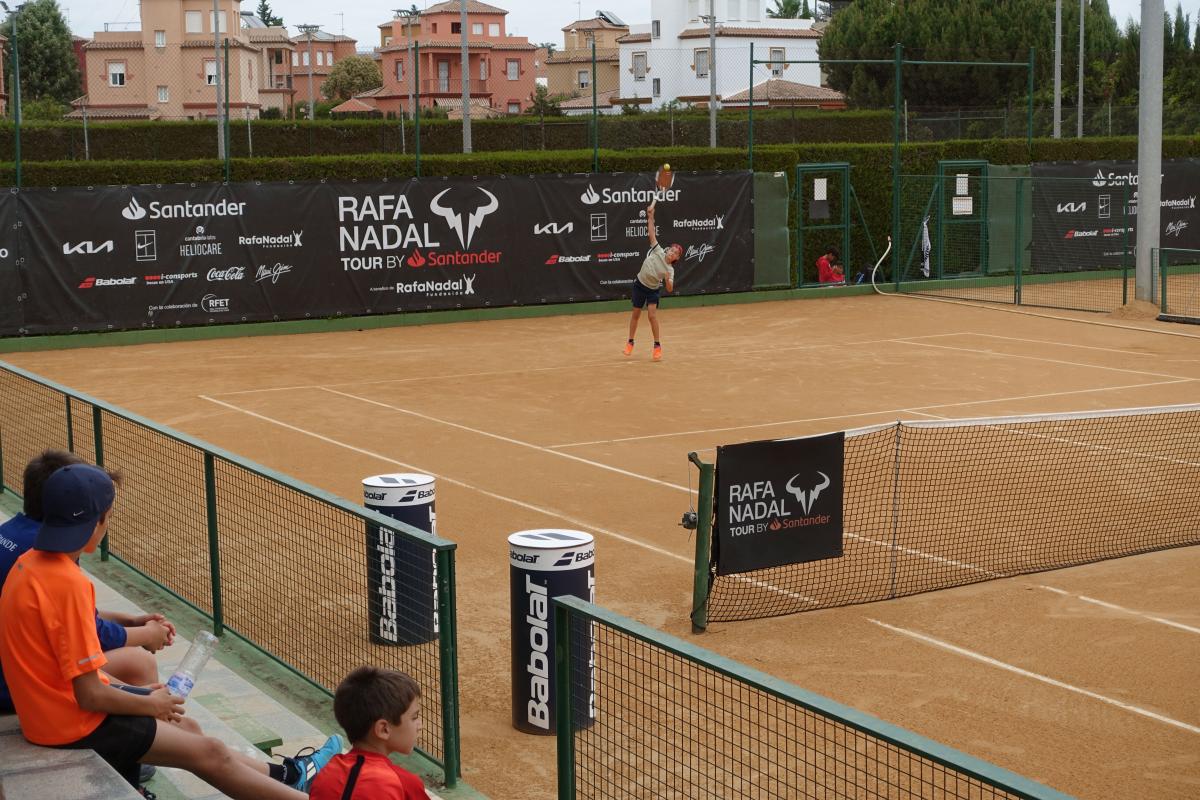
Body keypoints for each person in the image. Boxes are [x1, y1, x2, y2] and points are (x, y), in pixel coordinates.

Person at [0, 463, 343, 798]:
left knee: (189, 729)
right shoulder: (69, 583)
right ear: (98, 522)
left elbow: (62, 672)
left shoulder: (28, 565)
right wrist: (148, 703)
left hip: (45, 715)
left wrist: (140, 695)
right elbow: (89, 696)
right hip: (70, 725)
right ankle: (297, 788)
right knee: (210, 753)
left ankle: (287, 779)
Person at [0, 451, 172, 719]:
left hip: (16, 669)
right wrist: (148, 634)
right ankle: (145, 736)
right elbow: (92, 635)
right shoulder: (46, 551)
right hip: (16, 687)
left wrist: (131, 620)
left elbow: (68, 617)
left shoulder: (12, 532)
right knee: (140, 663)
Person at [308, 666, 430, 799]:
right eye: (414, 717)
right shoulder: (404, 784)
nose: (420, 726)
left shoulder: (325, 776)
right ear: (383, 729)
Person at [623, 202, 682, 362]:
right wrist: (650, 216)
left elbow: (669, 289)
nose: (672, 252)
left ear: (676, 258)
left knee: (651, 315)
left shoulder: (670, 270)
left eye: (675, 253)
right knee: (636, 314)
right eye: (672, 250)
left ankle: (657, 346)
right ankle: (630, 342)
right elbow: (651, 232)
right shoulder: (658, 250)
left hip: (652, 290)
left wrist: (667, 280)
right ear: (668, 250)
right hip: (639, 285)